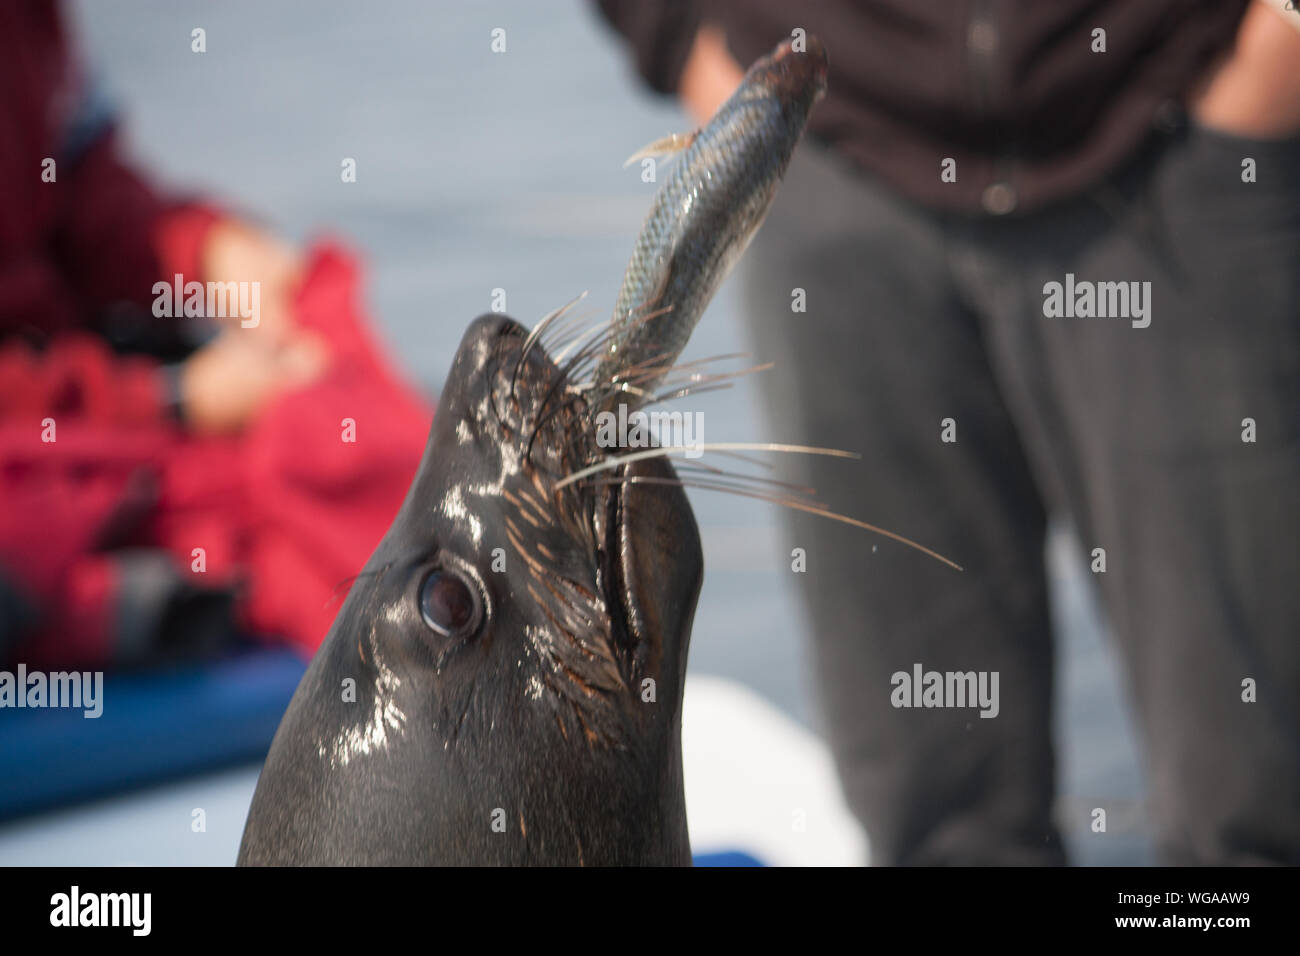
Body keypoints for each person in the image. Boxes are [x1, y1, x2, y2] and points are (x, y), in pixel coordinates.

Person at [596, 0, 1300, 865]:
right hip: (832, 169)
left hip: (1183, 133)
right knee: (943, 826)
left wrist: (1282, 39)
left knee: (1258, 805)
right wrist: (682, 42)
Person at [0, 2, 431, 669]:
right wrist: (170, 397)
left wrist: (210, 254)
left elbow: (81, 192)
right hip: (45, 443)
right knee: (314, 471)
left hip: (77, 409)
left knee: (347, 435)